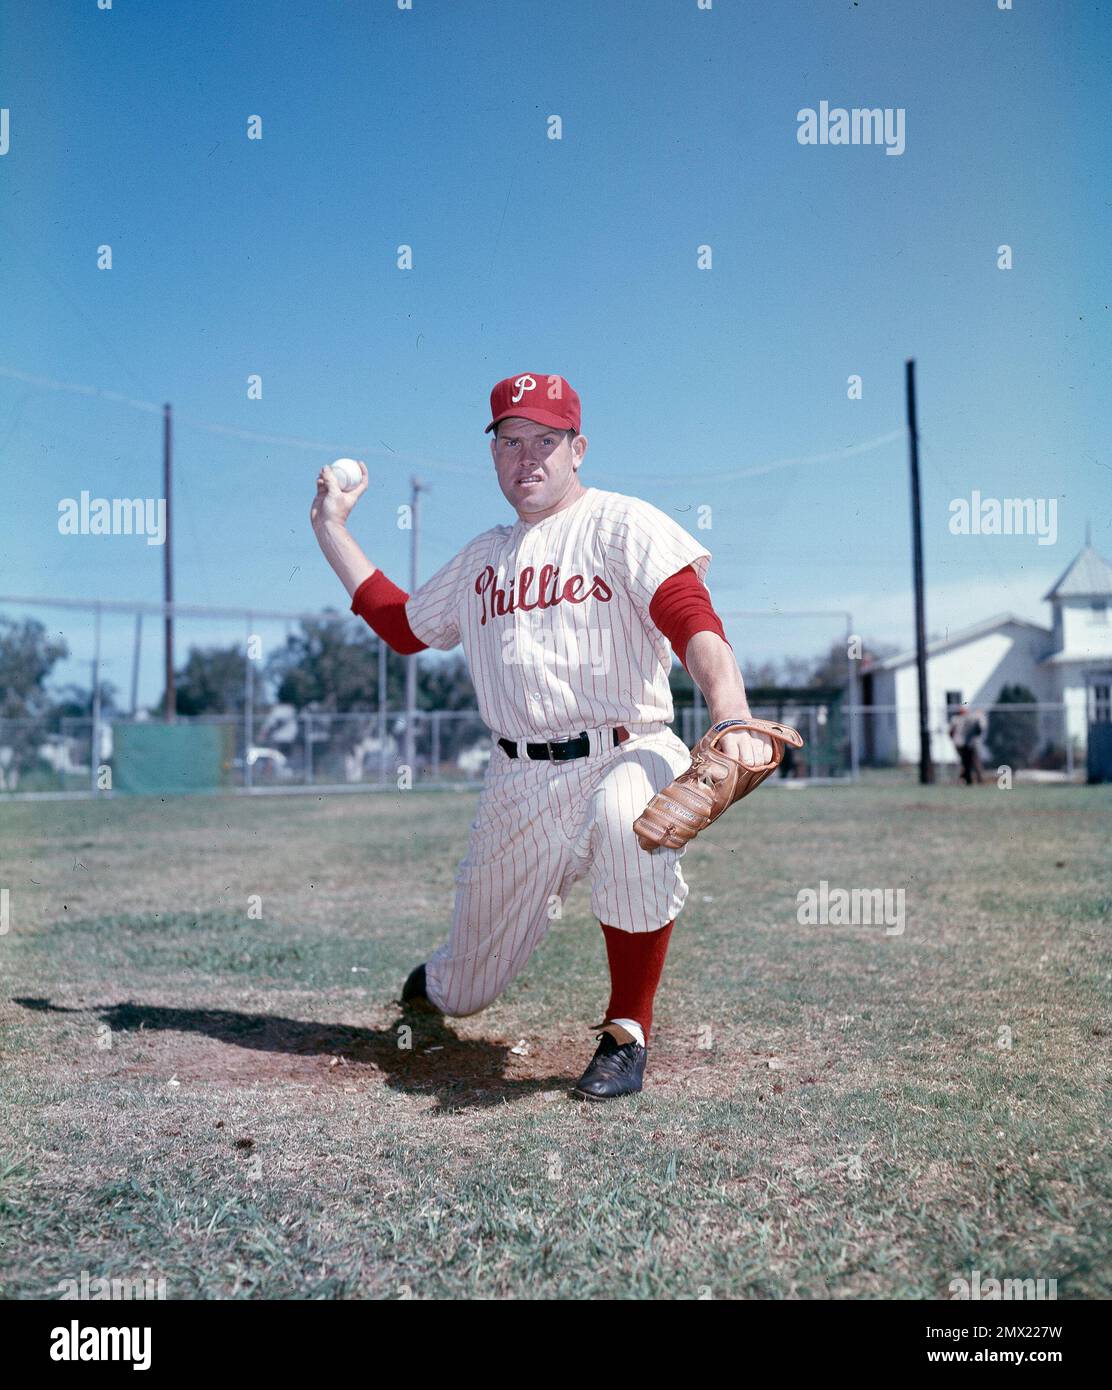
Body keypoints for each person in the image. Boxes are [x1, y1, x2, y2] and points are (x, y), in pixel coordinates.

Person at [310, 372, 775, 1100]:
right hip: (519, 779)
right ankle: (435, 982)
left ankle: (627, 1032)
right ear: (494, 454)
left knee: (632, 825)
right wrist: (331, 529)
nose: (527, 458)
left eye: (546, 441)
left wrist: (732, 711)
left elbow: (693, 620)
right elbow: (402, 628)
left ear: (578, 448)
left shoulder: (624, 524)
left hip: (631, 744)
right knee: (467, 989)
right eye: (510, 441)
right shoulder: (481, 558)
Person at [949, 704, 985, 785]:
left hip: (961, 744)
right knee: (973, 762)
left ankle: (969, 780)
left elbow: (951, 732)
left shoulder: (955, 719)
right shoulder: (972, 717)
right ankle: (976, 780)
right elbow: (979, 729)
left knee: (966, 763)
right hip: (969, 744)